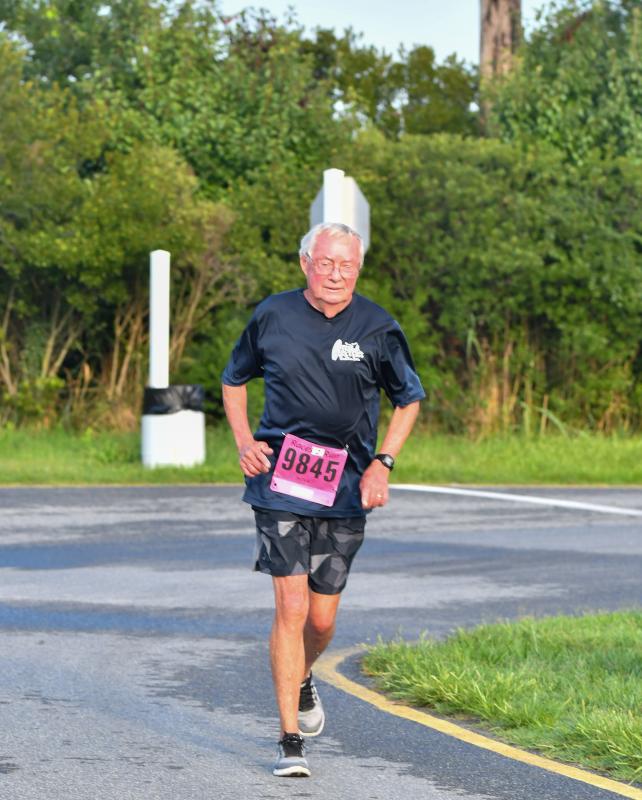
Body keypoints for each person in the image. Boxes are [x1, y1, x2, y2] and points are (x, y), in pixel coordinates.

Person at [221, 222, 424, 778]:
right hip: (280, 478)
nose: (336, 274)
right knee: (289, 607)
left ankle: (305, 675)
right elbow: (233, 380)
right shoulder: (272, 315)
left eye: (348, 265)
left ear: (358, 268)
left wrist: (383, 463)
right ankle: (289, 739)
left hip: (346, 483)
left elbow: (409, 398)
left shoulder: (378, 326)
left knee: (322, 618)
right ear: (306, 261)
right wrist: (244, 441)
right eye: (327, 263)